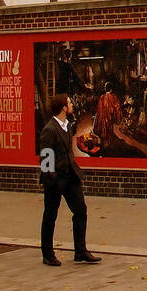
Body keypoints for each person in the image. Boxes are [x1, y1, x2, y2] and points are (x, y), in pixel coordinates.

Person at [38, 92, 101, 265]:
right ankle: (47, 254)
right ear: (64, 108)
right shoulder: (49, 130)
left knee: (80, 210)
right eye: (69, 103)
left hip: (71, 176)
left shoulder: (68, 125)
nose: (72, 105)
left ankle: (80, 251)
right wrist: (52, 180)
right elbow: (45, 158)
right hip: (56, 179)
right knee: (50, 215)